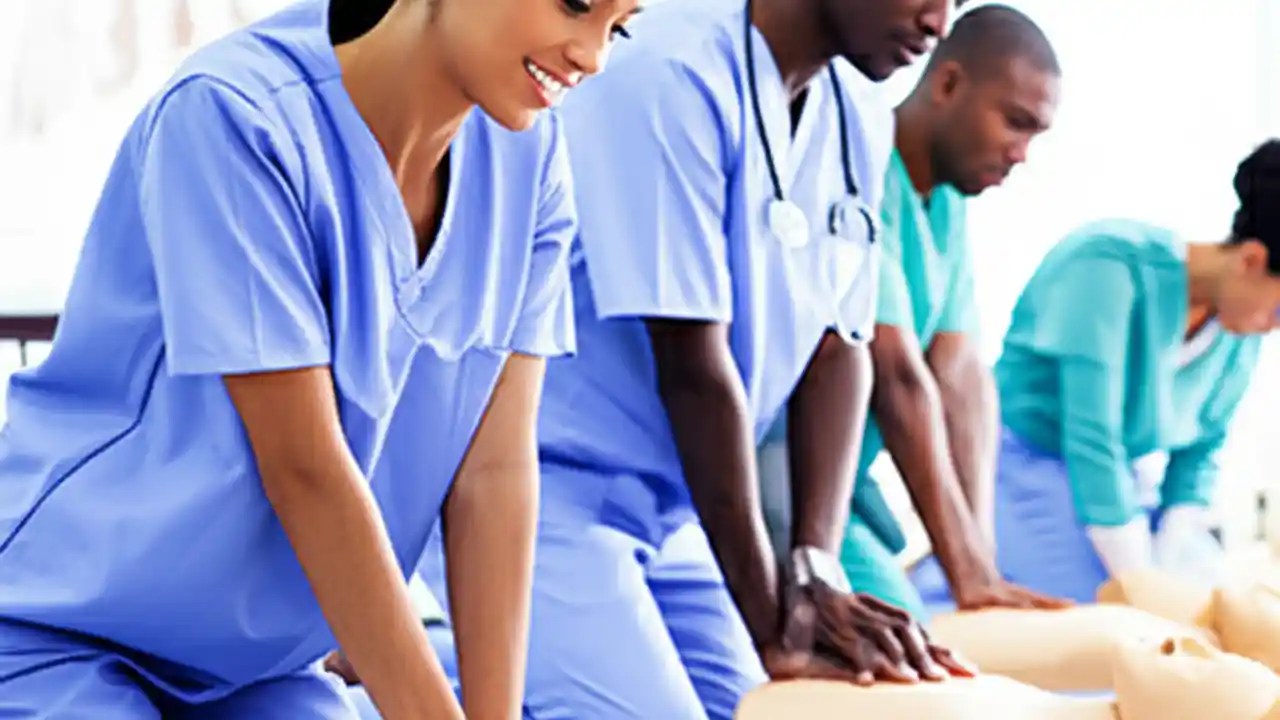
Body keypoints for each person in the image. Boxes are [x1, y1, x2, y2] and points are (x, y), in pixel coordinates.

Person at [0, 0, 638, 718]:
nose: (593, 56)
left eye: (619, 26)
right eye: (575, 4)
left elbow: (493, 475)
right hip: (57, 633)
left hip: (258, 674)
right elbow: (306, 469)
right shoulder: (233, 116)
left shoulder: (532, 162)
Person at [426, 0, 974, 716]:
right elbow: (693, 367)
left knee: (767, 707)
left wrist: (814, 567)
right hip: (542, 489)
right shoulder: (666, 67)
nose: (940, 22)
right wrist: (773, 623)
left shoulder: (858, 113)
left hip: (674, 513)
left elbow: (840, 345)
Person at [829, 4, 1066, 618]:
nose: (1021, 154)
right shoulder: (858, 163)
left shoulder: (946, 208)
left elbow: (959, 375)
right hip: (788, 484)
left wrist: (980, 559)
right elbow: (896, 373)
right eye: (1015, 123)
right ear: (948, 83)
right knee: (910, 650)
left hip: (848, 495)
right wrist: (965, 568)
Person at [992, 140, 1280, 603]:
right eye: (1279, 311)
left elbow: (1203, 448)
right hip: (1022, 461)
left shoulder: (1239, 329)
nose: (1274, 327)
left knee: (1211, 602)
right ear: (1251, 260)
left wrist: (1172, 547)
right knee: (1099, 619)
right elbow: (1092, 436)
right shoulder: (1106, 264)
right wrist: (1142, 582)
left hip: (1117, 479)